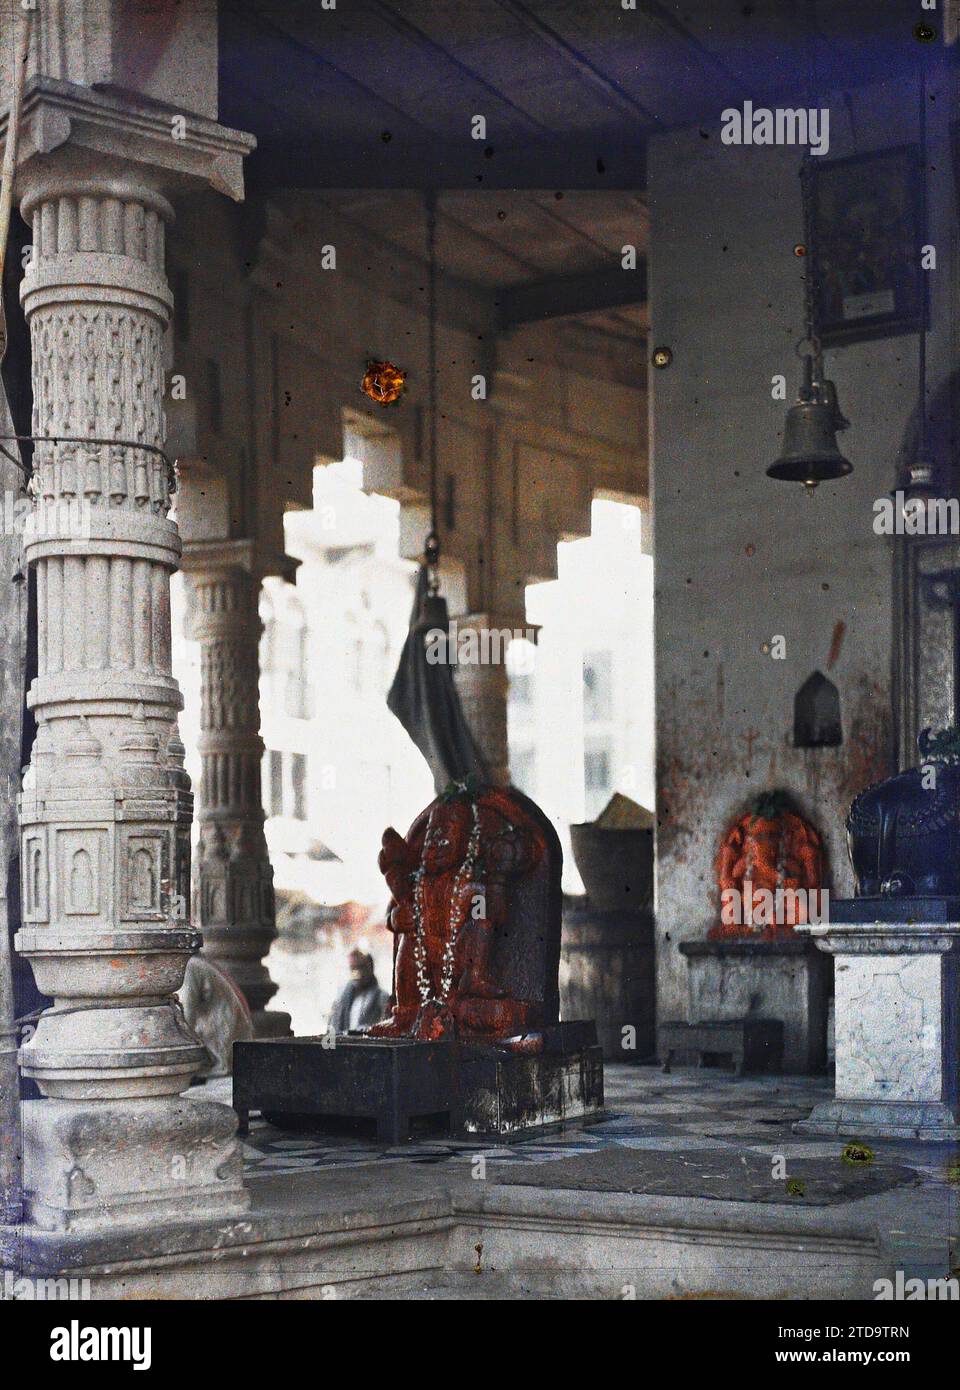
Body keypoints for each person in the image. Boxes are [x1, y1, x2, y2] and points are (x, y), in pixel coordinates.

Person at [329, 948, 390, 1033]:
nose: (357, 973)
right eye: (353, 969)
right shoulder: (342, 998)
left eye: (361, 967)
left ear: (370, 968)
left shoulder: (382, 997)